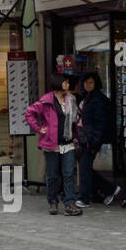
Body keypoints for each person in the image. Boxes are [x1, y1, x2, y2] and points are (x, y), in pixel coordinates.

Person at [24, 73, 82, 216]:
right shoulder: (46, 101)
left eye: (68, 83)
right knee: (52, 175)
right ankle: (53, 201)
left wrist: (77, 136)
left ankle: (69, 203)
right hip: (52, 143)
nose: (68, 85)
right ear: (58, 84)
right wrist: (39, 129)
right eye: (65, 83)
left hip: (68, 143)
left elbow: (75, 120)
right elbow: (29, 113)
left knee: (68, 174)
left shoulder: (71, 99)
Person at [77, 72, 119, 207]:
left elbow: (99, 124)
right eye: (86, 82)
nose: (88, 85)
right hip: (84, 138)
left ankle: (85, 198)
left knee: (85, 168)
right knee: (85, 168)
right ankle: (108, 189)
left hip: (91, 140)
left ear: (96, 84)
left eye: (91, 82)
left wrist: (94, 142)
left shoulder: (98, 100)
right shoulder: (87, 98)